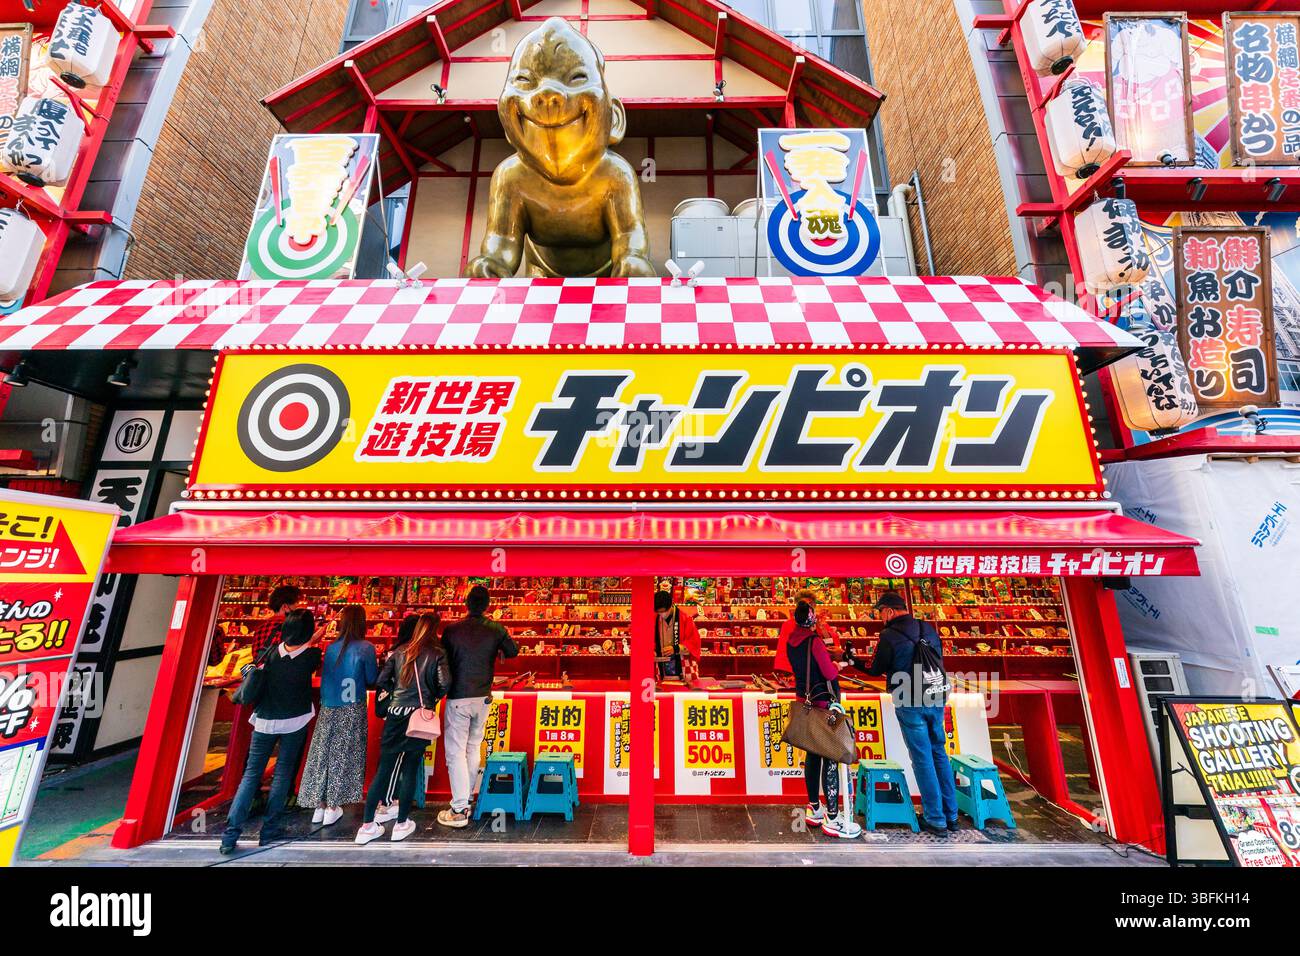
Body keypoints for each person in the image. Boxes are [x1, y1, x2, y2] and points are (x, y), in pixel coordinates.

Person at [220, 608, 323, 854]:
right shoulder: (311, 656)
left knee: (250, 775)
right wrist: (318, 634)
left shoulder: (270, 654)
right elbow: (307, 650)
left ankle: (230, 834)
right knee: (283, 774)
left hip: (265, 719)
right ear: (308, 632)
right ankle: (269, 828)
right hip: (295, 721)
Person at [864, 590, 958, 837]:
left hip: (909, 698)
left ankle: (935, 818)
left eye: (881, 612)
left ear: (890, 611)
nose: (881, 617)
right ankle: (951, 815)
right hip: (936, 697)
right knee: (939, 753)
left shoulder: (889, 635)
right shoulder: (927, 627)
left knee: (922, 758)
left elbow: (875, 669)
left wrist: (854, 662)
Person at [356, 612, 450, 844]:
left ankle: (367, 825)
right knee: (410, 769)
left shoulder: (400, 651)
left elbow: (380, 680)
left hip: (395, 714)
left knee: (385, 768)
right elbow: (444, 683)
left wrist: (396, 695)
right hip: (418, 715)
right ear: (434, 630)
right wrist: (430, 700)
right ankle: (401, 824)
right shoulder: (437, 653)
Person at [435, 585, 519, 828]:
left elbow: (443, 660)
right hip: (483, 696)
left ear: (466, 604)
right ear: (487, 605)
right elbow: (512, 651)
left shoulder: (451, 631)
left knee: (455, 751)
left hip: (458, 696)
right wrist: (498, 650)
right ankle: (465, 801)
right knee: (473, 747)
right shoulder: (495, 628)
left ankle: (459, 809)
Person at [297, 604, 378, 827]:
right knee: (344, 755)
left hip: (328, 706)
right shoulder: (366, 648)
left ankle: (319, 806)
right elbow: (372, 678)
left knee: (323, 754)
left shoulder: (331, 648)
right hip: (352, 707)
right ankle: (333, 805)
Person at [786, 600, 861, 839]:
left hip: (803, 702)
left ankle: (814, 808)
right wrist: (839, 663)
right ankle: (832, 817)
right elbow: (828, 673)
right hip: (822, 703)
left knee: (812, 754)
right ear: (812, 619)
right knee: (830, 754)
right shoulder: (814, 641)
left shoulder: (791, 640)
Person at [774, 588, 841, 675]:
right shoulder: (788, 625)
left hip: (817, 672)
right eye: (804, 605)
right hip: (799, 673)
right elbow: (783, 652)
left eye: (810, 605)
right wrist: (788, 673)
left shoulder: (820, 623)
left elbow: (831, 644)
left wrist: (824, 629)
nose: (808, 608)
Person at [652, 590, 701, 684]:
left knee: (686, 695)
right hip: (662, 666)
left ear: (671, 604)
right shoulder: (655, 618)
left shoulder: (685, 618)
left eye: (664, 611)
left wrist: (676, 648)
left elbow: (694, 642)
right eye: (659, 612)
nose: (662, 614)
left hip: (684, 666)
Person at [248, 583, 302, 658]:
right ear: (285, 606)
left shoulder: (260, 629)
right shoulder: (292, 628)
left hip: (262, 669)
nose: (297, 607)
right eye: (296, 603)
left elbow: (256, 655)